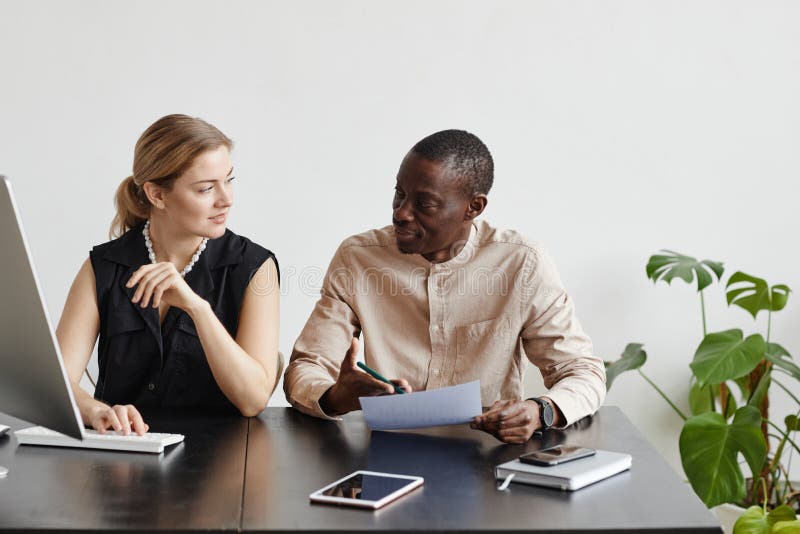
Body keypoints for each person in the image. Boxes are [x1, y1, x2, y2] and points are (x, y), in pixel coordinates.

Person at [285, 129, 605, 444]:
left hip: (487, 459)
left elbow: (582, 372)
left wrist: (541, 411)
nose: (400, 213)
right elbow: (307, 366)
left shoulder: (522, 263)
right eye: (399, 193)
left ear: (474, 208)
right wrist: (335, 397)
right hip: (388, 452)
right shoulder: (358, 258)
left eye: (424, 204)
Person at [56, 114, 280, 435]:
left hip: (219, 464)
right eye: (206, 188)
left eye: (229, 180)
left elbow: (253, 399)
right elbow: (60, 381)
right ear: (156, 194)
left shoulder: (255, 267)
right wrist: (97, 410)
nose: (226, 199)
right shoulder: (104, 266)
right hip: (122, 456)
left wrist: (197, 308)